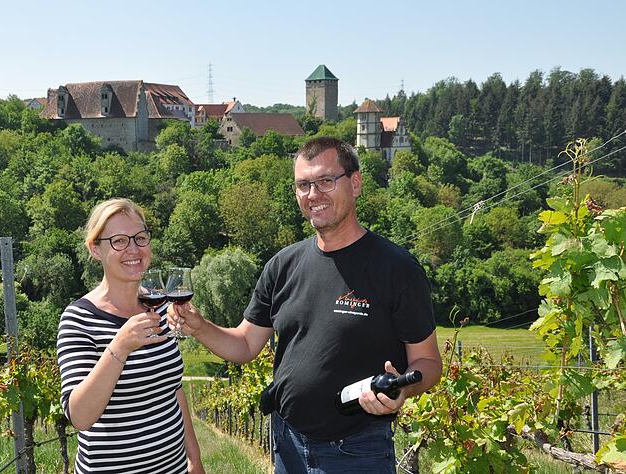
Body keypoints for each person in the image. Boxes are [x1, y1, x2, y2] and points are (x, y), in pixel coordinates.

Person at [168, 137, 442, 473]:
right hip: (287, 444)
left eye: (326, 181)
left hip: (358, 450)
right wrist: (199, 326)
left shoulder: (397, 269)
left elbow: (428, 363)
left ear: (355, 183)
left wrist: (402, 389)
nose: (313, 195)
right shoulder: (283, 264)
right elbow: (244, 345)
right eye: (303, 185)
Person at [57, 198, 205, 474]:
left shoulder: (161, 308)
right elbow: (80, 417)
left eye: (140, 238)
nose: (134, 249)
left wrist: (194, 460)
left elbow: (173, 389)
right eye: (119, 241)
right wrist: (119, 347)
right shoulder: (79, 320)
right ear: (95, 249)